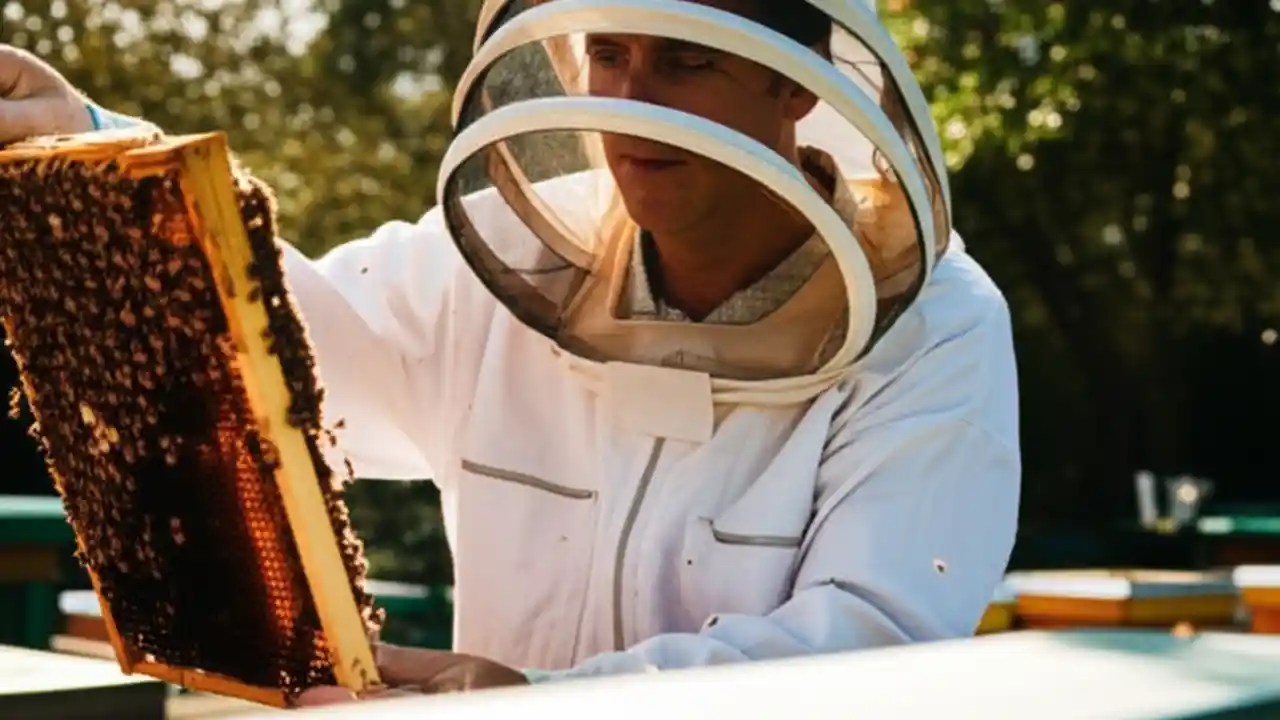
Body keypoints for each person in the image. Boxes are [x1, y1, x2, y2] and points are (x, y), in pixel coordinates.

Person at [0, 0, 1020, 702]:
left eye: (686, 57)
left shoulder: (934, 331)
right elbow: (286, 354)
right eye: (609, 54)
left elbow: (869, 654)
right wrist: (99, 143)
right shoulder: (505, 257)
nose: (631, 101)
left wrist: (537, 702)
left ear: (797, 87)